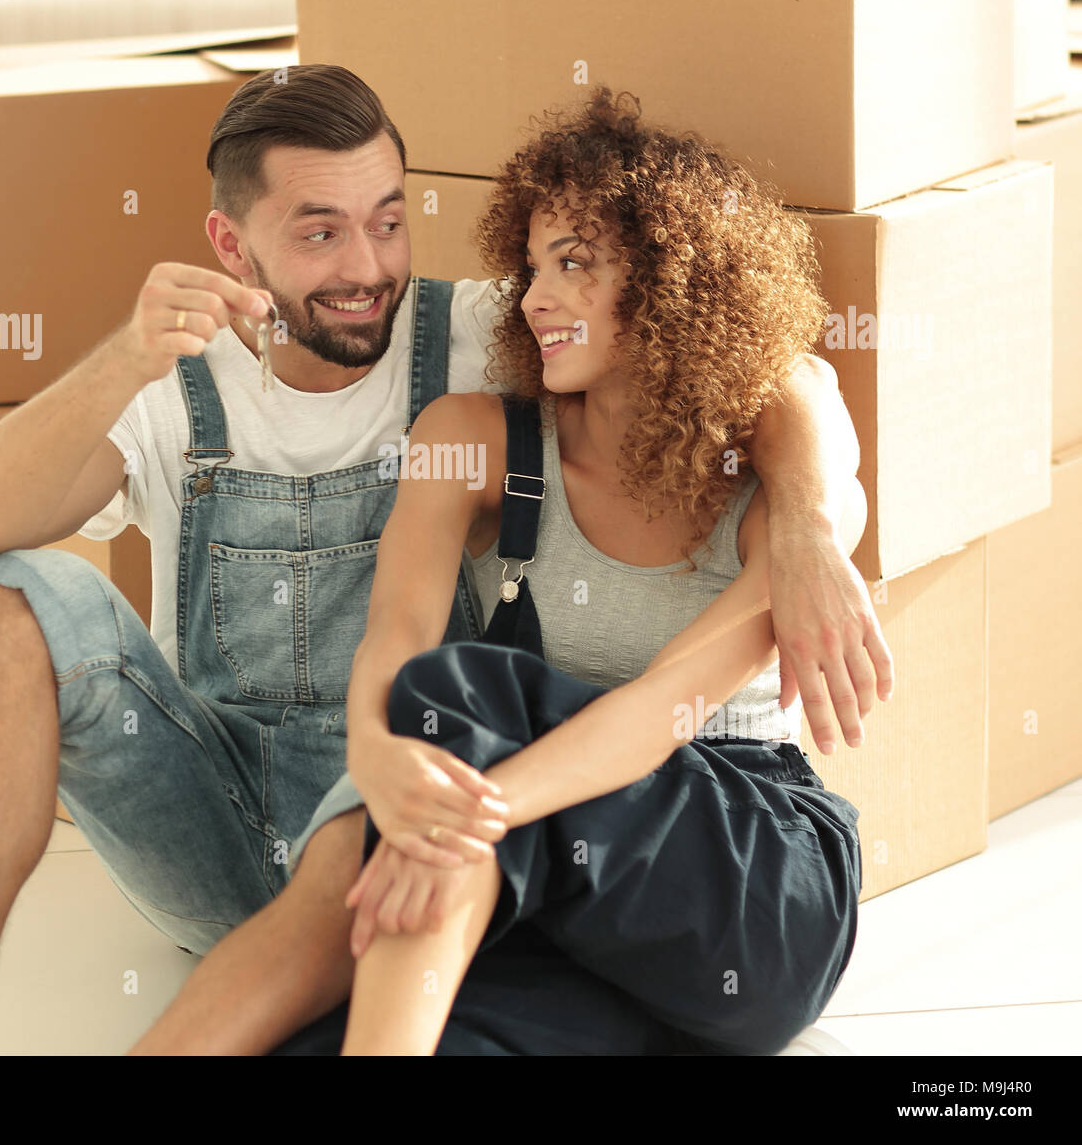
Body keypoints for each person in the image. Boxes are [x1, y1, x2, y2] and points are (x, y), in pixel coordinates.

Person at [0, 66, 886, 1058]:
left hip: (442, 806)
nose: (366, 264)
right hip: (276, 816)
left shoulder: (476, 336)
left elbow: (769, 362)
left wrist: (806, 522)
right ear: (232, 243)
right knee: (15, 592)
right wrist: (123, 356)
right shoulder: (177, 383)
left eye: (388, 220)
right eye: (320, 231)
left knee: (458, 701)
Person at [273, 87, 872, 1056]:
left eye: (574, 264)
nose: (535, 296)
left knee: (452, 693)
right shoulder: (477, 442)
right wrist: (376, 758)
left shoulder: (772, 498)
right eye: (531, 265)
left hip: (751, 880)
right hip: (567, 876)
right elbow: (393, 630)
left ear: (676, 280)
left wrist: (466, 809)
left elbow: (660, 713)